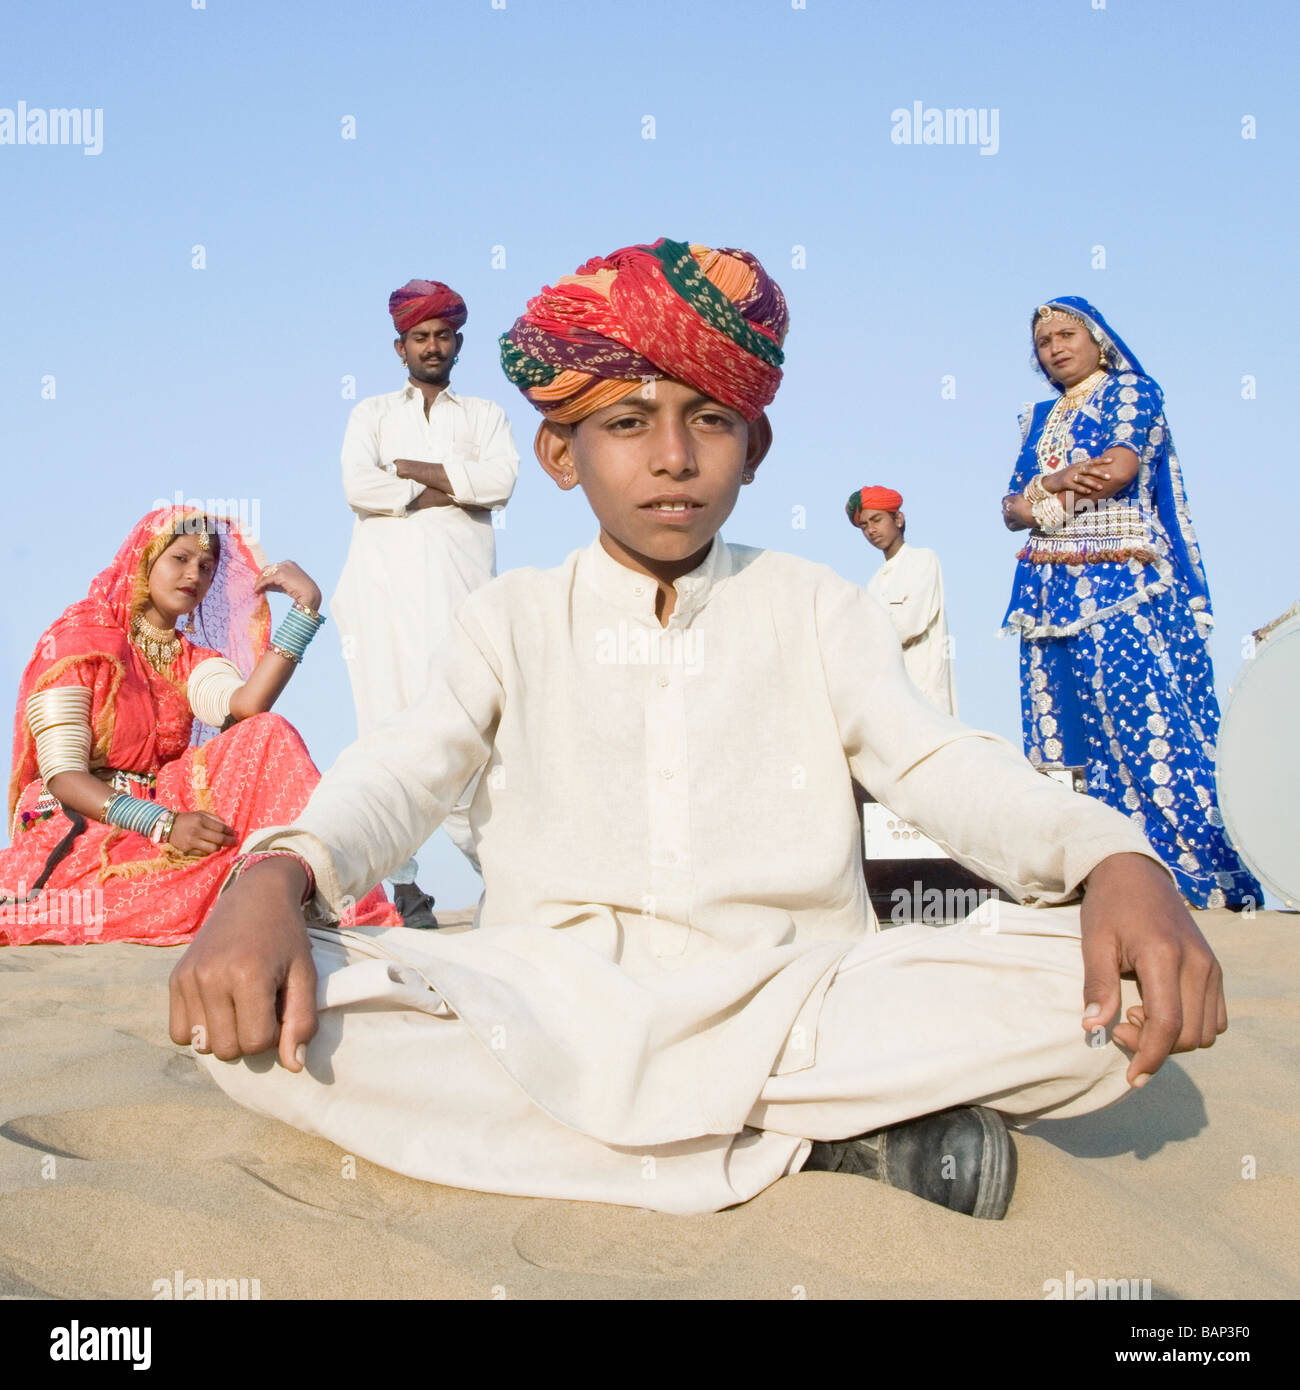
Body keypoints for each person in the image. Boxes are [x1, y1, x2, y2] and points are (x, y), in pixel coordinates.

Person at [171, 242, 1225, 1222]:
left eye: (709, 420)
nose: (673, 457)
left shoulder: (816, 605)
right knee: (247, 1029)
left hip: (798, 1001)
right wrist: (278, 875)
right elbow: (402, 772)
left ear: (752, 448)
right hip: (550, 1000)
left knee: (1113, 999)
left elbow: (935, 760)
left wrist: (1111, 858)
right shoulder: (508, 619)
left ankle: (623, 1144)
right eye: (629, 423)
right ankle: (819, 1146)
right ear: (560, 452)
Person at [0, 506, 398, 946]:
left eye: (207, 567)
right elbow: (63, 777)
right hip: (85, 817)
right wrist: (165, 824)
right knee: (135, 901)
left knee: (266, 733)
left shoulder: (190, 659)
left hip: (166, 809)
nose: (194, 574)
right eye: (180, 558)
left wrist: (305, 609)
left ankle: (342, 898)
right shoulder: (81, 639)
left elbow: (248, 708)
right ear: (145, 559)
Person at [1001, 298, 1261, 909]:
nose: (1055, 348)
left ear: (1099, 341)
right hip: (1047, 589)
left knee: (1146, 720)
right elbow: (1009, 509)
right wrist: (1058, 482)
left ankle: (1192, 875)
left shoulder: (1131, 392)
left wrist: (1045, 500)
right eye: (1044, 342)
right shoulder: (1036, 417)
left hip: (1124, 576)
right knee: (1060, 733)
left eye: (1067, 335)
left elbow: (1117, 469)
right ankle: (1094, 877)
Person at [330, 279, 520, 929]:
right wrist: (454, 488)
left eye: (442, 336)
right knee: (386, 733)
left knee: (467, 736)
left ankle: (510, 883)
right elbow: (359, 486)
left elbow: (501, 481)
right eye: (420, 337)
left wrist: (413, 469)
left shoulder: (484, 415)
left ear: (458, 342)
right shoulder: (372, 415)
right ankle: (405, 893)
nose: (431, 346)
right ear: (400, 347)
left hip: (459, 594)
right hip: (380, 598)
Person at [847, 484, 957, 714]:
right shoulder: (875, 582)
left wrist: (866, 639)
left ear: (898, 519)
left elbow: (908, 625)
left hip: (925, 691)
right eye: (864, 526)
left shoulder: (923, 559)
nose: (871, 530)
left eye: (876, 520)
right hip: (890, 694)